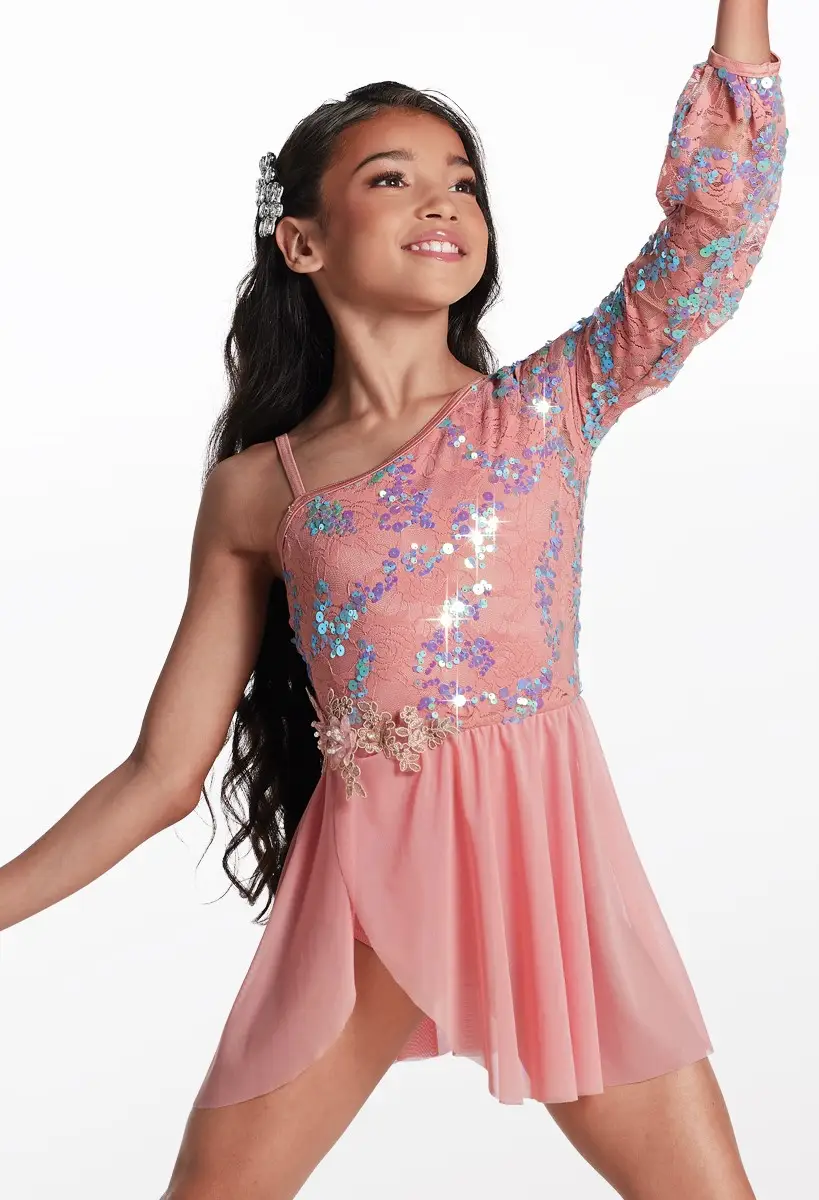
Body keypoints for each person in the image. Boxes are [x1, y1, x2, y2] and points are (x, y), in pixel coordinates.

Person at [1, 0, 786, 1196]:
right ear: (302, 242)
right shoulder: (259, 493)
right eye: (393, 179)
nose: (444, 203)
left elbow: (711, 236)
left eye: (463, 183)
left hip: (549, 883)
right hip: (363, 896)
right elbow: (161, 774)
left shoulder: (551, 406)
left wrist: (743, 24)